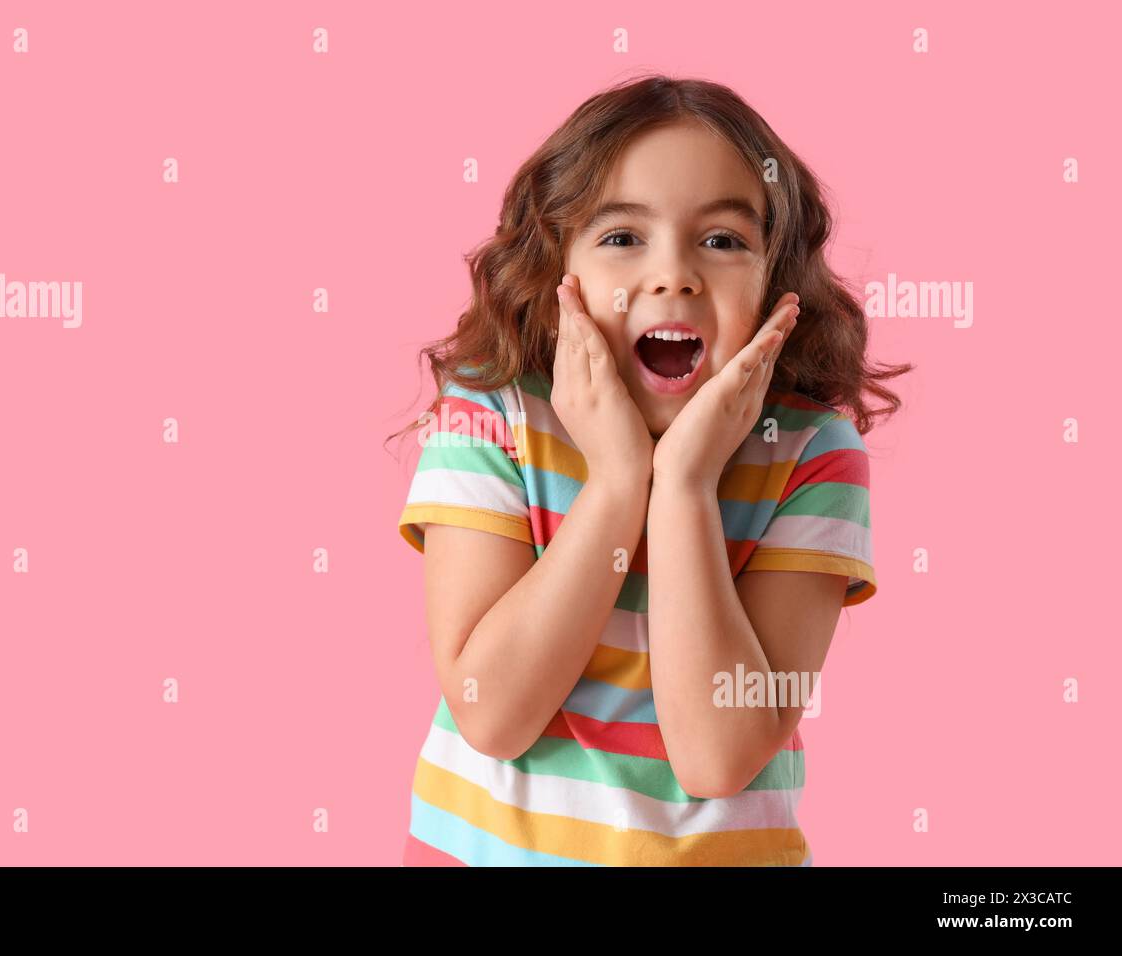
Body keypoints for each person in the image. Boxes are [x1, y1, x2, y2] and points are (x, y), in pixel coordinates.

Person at [388, 73, 913, 866]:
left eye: (724, 240)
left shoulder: (812, 455)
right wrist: (617, 482)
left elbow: (718, 756)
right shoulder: (491, 419)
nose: (673, 276)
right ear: (554, 270)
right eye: (622, 237)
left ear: (779, 281)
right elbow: (491, 716)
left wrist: (686, 488)